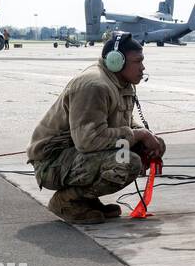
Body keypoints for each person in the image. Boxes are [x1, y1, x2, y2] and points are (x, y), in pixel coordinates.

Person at [26, 32, 167, 224]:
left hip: (76, 155)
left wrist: (147, 137)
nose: (142, 68)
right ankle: (68, 200)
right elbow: (88, 141)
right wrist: (138, 135)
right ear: (117, 61)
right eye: (138, 61)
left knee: (151, 146)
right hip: (53, 161)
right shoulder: (94, 86)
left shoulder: (120, 83)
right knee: (126, 162)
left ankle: (86, 200)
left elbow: (123, 125)